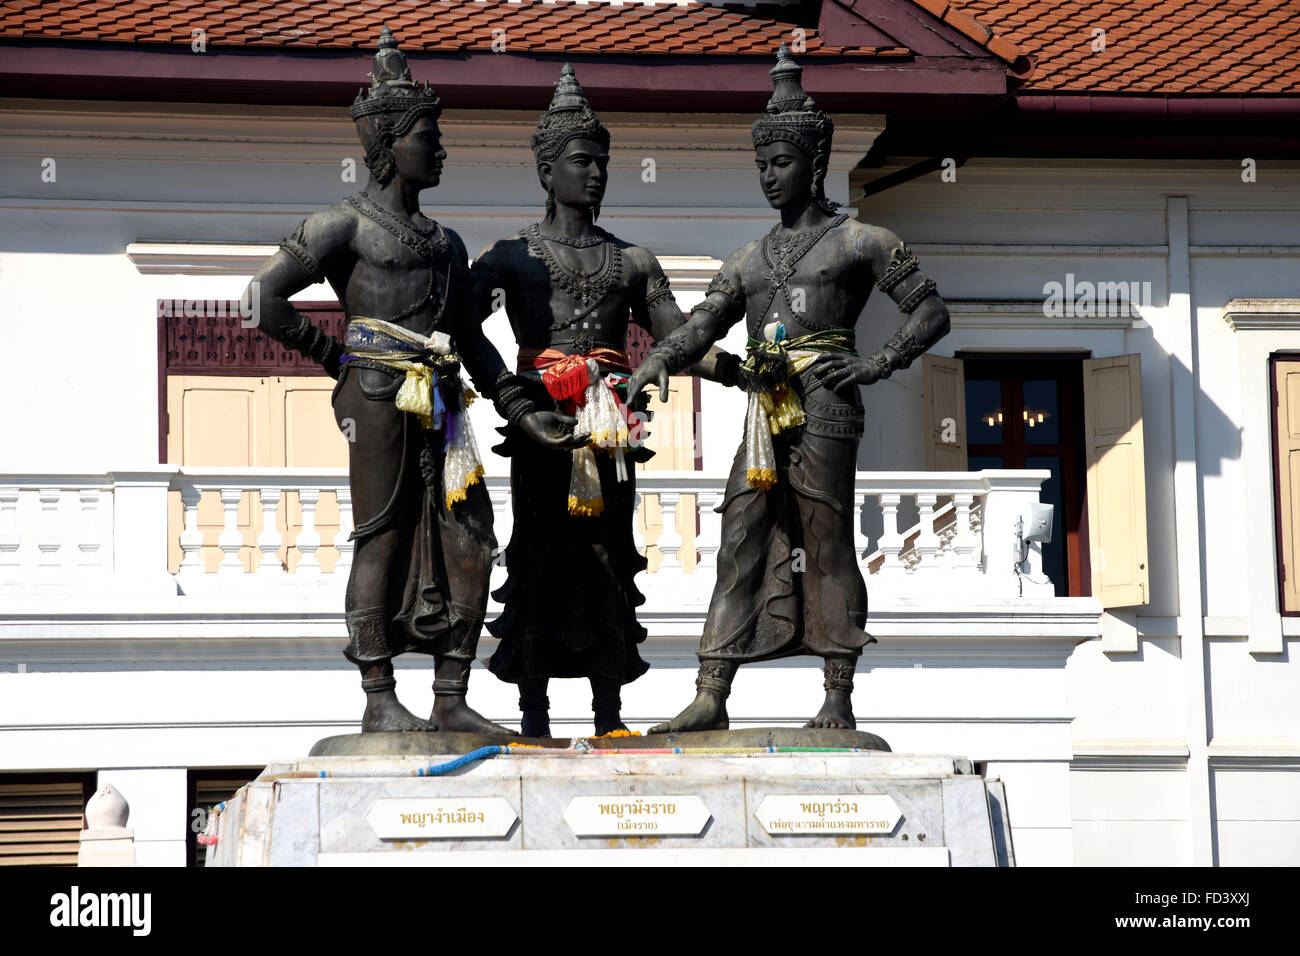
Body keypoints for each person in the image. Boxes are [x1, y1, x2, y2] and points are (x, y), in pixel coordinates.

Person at [242, 27, 578, 733]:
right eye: (428, 135)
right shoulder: (342, 226)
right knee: (383, 534)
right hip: (376, 396)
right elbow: (264, 299)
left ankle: (451, 694)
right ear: (387, 146)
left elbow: (467, 337)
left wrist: (521, 408)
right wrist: (335, 358)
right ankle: (378, 695)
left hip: (445, 402)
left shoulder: (445, 243)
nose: (441, 147)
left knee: (472, 537)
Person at [629, 43, 951, 733]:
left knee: (826, 537)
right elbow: (701, 326)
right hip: (761, 415)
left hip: (828, 403)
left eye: (781, 163)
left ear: (815, 161)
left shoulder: (862, 241)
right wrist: (661, 359)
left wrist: (879, 361)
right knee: (739, 534)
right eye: (763, 166)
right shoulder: (746, 260)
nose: (771, 178)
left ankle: (837, 694)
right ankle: (713, 690)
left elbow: (931, 311)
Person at [456, 65, 737, 738]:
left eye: (604, 162)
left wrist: (740, 370)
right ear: (547, 171)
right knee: (537, 556)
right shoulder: (511, 257)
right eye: (583, 161)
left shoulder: (633, 261)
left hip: (612, 428)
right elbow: (460, 322)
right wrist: (507, 393)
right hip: (541, 428)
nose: (598, 174)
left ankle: (610, 712)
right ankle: (534, 714)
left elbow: (679, 338)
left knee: (610, 557)